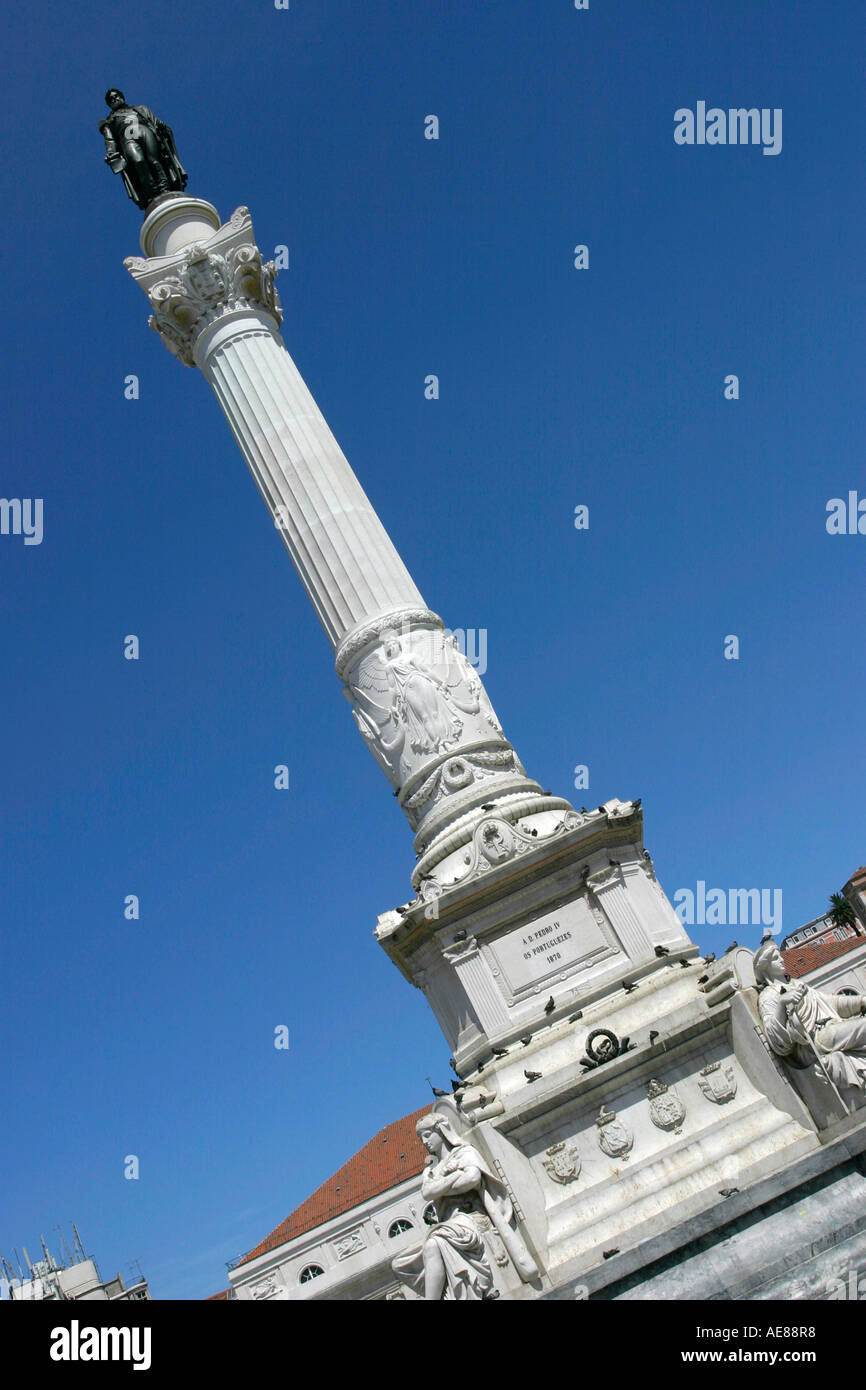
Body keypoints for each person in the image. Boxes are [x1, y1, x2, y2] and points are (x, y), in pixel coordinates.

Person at [392, 1113, 537, 1300]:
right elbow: (427, 1193)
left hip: (472, 1219)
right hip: (452, 1225)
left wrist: (441, 1185)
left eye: (428, 1135)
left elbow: (472, 1179)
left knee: (434, 1243)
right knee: (399, 1263)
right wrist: (452, 1176)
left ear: (442, 1131)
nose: (425, 1142)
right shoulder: (431, 1170)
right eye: (421, 1138)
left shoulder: (464, 1152)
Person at [753, 939, 866, 1094]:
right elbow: (777, 1041)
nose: (782, 959)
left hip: (831, 1028)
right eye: (775, 958)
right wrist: (781, 1003)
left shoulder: (796, 984)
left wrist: (861, 1001)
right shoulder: (768, 996)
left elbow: (832, 1002)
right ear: (765, 968)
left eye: (780, 956)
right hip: (815, 1040)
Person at [99, 90, 188, 210]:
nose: (115, 99)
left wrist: (163, 128)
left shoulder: (140, 109)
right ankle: (153, 193)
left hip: (145, 131)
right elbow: (110, 139)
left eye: (116, 96)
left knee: (154, 160)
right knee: (138, 161)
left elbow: (155, 122)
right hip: (127, 139)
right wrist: (111, 152)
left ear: (122, 97)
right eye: (111, 99)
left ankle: (164, 189)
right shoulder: (109, 122)